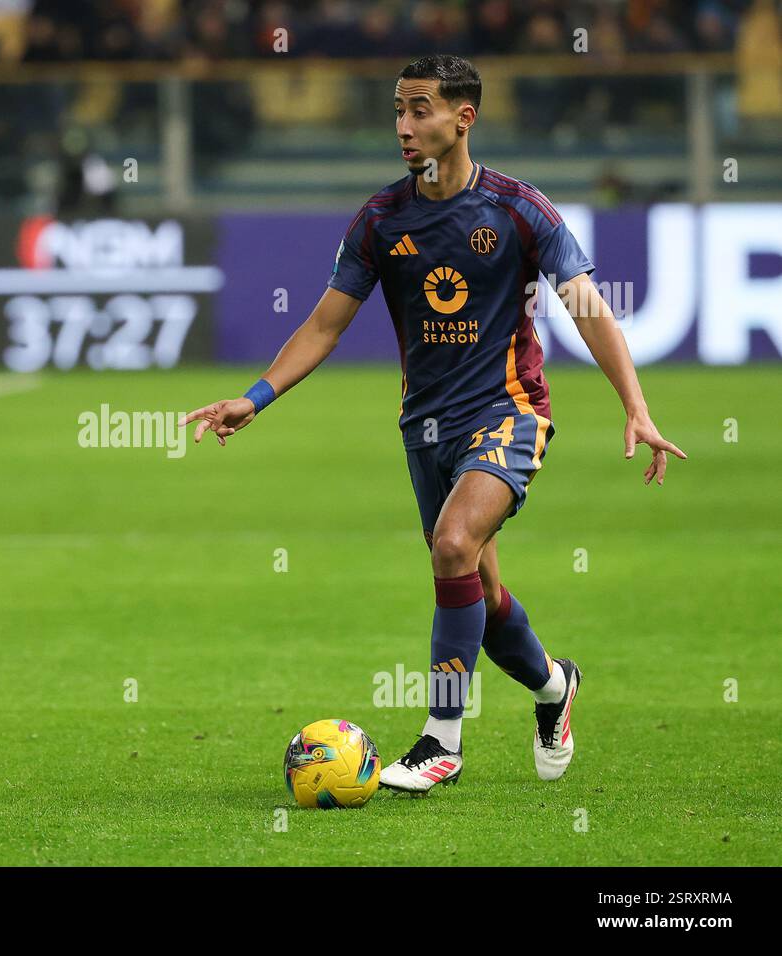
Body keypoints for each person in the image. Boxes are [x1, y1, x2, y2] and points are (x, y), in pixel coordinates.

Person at [179, 55, 686, 794]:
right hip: (424, 430)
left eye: (420, 110)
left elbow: (587, 306)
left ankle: (440, 742)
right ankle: (553, 687)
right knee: (478, 585)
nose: (405, 127)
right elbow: (324, 326)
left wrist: (635, 408)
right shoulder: (382, 219)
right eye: (398, 110)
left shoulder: (518, 210)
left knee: (452, 544)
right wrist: (255, 398)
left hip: (510, 413)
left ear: (463, 118)